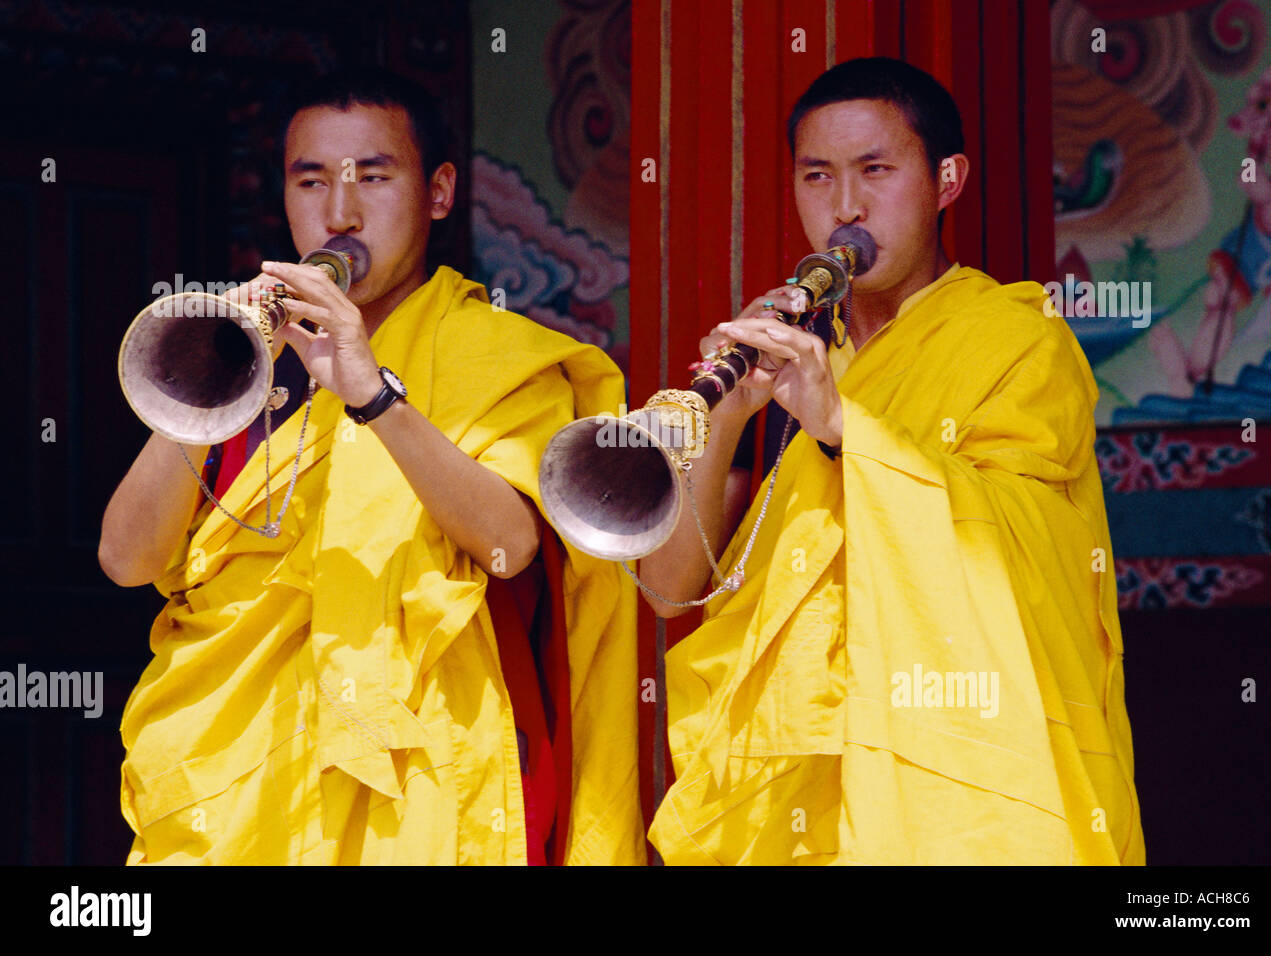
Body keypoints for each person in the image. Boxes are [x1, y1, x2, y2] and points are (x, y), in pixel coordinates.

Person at [98, 68, 643, 865]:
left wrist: (371, 395)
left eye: (374, 178)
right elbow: (126, 558)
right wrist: (217, 386)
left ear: (440, 192)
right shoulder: (250, 359)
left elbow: (509, 546)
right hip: (235, 793)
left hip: (415, 782)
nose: (340, 212)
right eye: (310, 181)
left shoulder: (493, 355)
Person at [638, 57, 1144, 865]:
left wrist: (843, 425)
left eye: (876, 170)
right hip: (795, 798)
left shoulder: (1016, 342)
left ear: (947, 180)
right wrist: (729, 414)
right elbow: (668, 590)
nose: (845, 207)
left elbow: (1018, 548)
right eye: (817, 177)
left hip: (951, 783)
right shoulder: (790, 363)